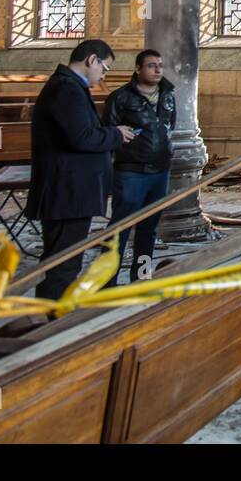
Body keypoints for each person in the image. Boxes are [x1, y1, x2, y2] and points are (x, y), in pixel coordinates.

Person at [28, 39, 136, 301]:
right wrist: (114, 134)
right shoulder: (66, 89)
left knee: (65, 260)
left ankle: (53, 313)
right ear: (91, 60)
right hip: (68, 193)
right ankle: (52, 319)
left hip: (71, 192)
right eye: (104, 68)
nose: (102, 76)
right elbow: (82, 137)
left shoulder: (69, 87)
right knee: (63, 263)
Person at [101, 50, 176, 285]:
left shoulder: (168, 94)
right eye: (151, 65)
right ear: (138, 69)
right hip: (131, 171)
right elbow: (108, 132)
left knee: (149, 228)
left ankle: (142, 276)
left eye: (160, 65)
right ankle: (106, 282)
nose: (157, 70)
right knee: (119, 229)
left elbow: (169, 126)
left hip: (160, 171)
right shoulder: (121, 98)